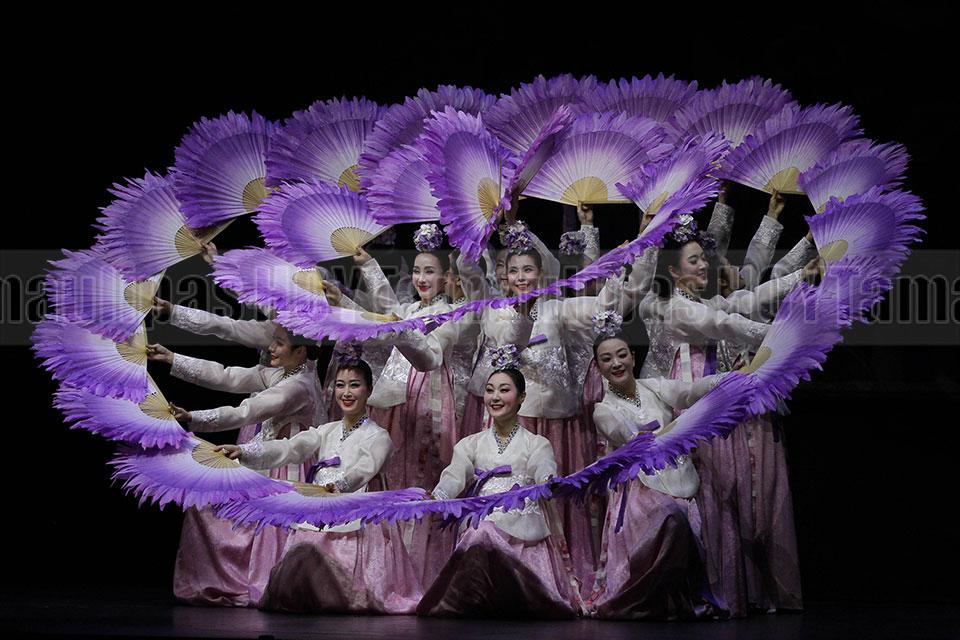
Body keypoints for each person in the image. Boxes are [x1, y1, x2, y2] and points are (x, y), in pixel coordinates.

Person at [216, 359, 423, 614]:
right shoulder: (326, 430)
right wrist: (245, 451)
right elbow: (290, 448)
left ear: (368, 390)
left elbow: (365, 470)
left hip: (355, 511)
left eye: (354, 385)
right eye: (340, 385)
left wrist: (340, 486)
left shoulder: (378, 436)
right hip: (318, 508)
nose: (346, 393)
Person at [146, 325, 322, 607]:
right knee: (213, 507)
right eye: (272, 342)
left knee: (266, 523)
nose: (271, 349)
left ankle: (266, 581)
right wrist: (172, 359)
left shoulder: (298, 386)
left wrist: (192, 417)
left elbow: (246, 412)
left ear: (300, 351)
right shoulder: (281, 373)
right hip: (266, 459)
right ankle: (240, 575)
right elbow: (228, 375)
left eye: (279, 344)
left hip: (287, 467)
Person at [418, 367, 582, 618]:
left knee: (485, 533)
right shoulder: (470, 443)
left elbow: (543, 466)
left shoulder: (536, 443)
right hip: (483, 515)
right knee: (482, 531)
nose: (495, 397)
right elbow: (454, 475)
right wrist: (438, 496)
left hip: (521, 515)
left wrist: (548, 480)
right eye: (489, 390)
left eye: (504, 390)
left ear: (521, 398)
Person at [587, 333, 723, 619]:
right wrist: (679, 428)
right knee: (669, 517)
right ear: (597, 368)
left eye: (622, 354)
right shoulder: (604, 410)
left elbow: (688, 392)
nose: (616, 363)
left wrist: (723, 380)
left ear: (633, 358)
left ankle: (679, 596)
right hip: (639, 486)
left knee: (689, 514)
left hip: (678, 476)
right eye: (606, 359)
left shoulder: (655, 386)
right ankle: (646, 594)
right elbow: (632, 439)